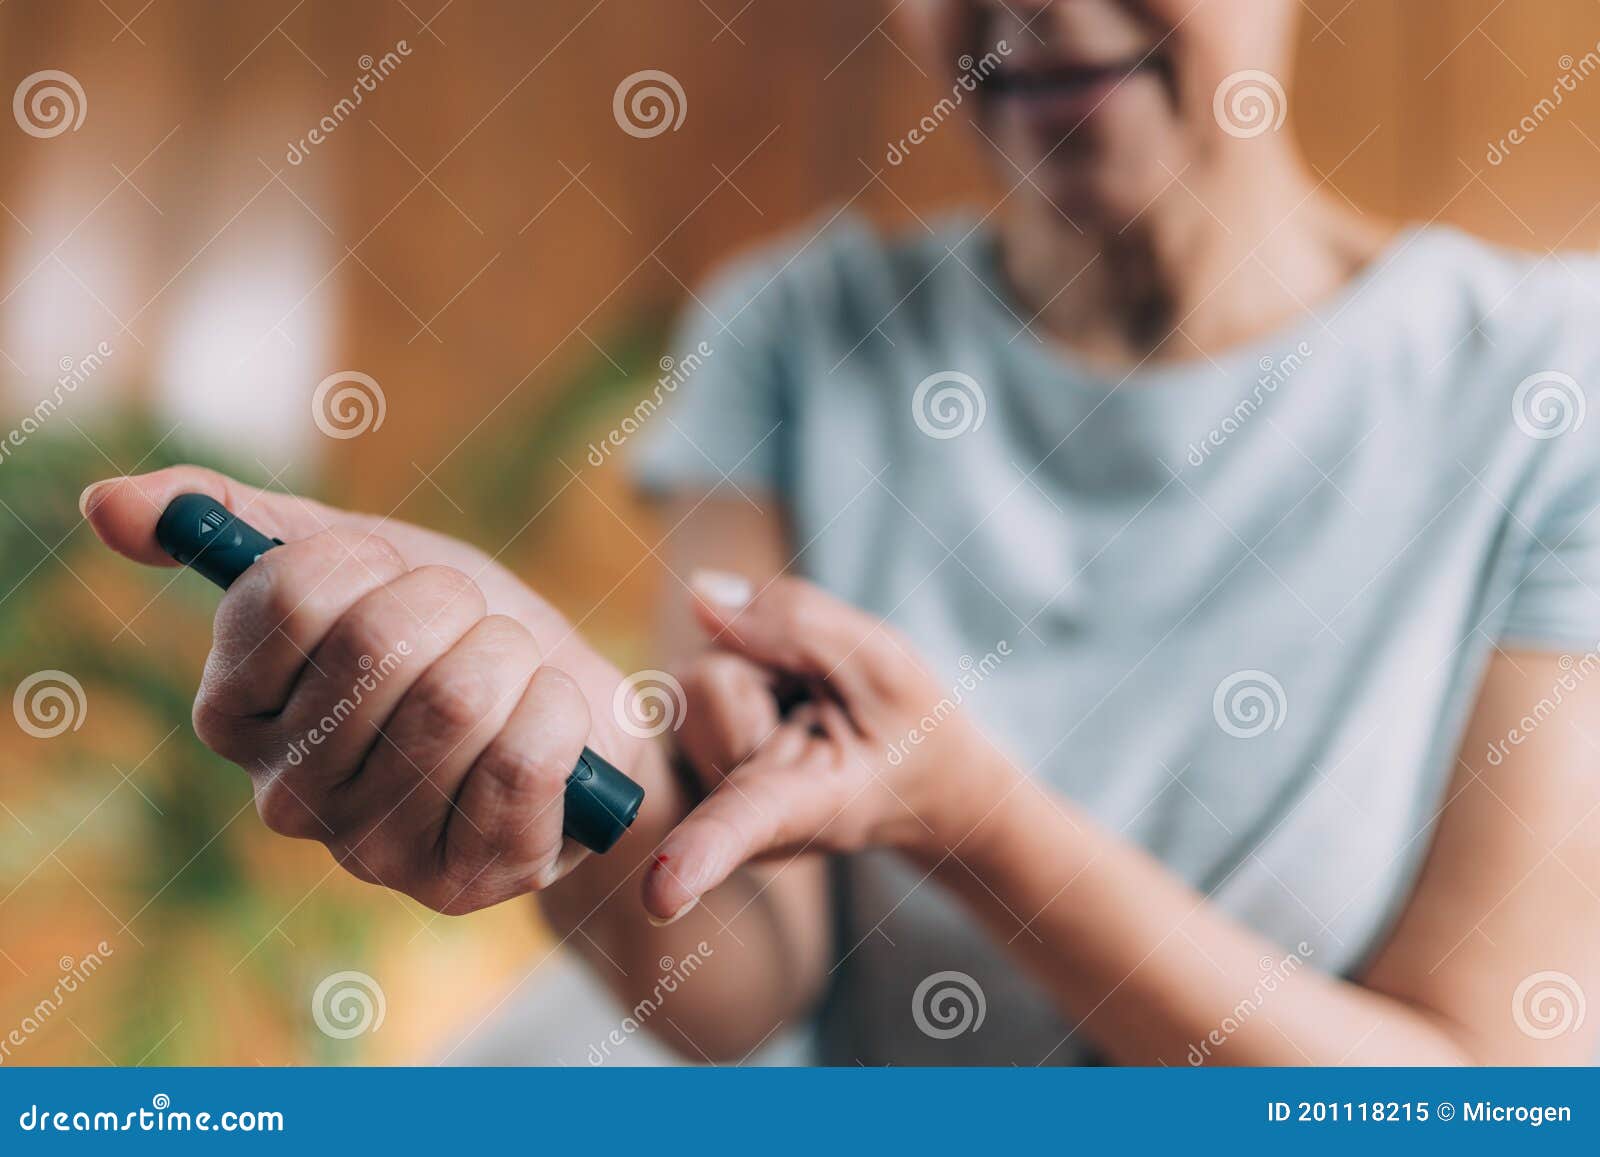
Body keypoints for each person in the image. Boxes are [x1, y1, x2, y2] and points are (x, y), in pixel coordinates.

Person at [82, 0, 1600, 1065]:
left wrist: (978, 825)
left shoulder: (1556, 382)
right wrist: (557, 742)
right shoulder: (795, 326)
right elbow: (745, 973)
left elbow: (1464, 1095)